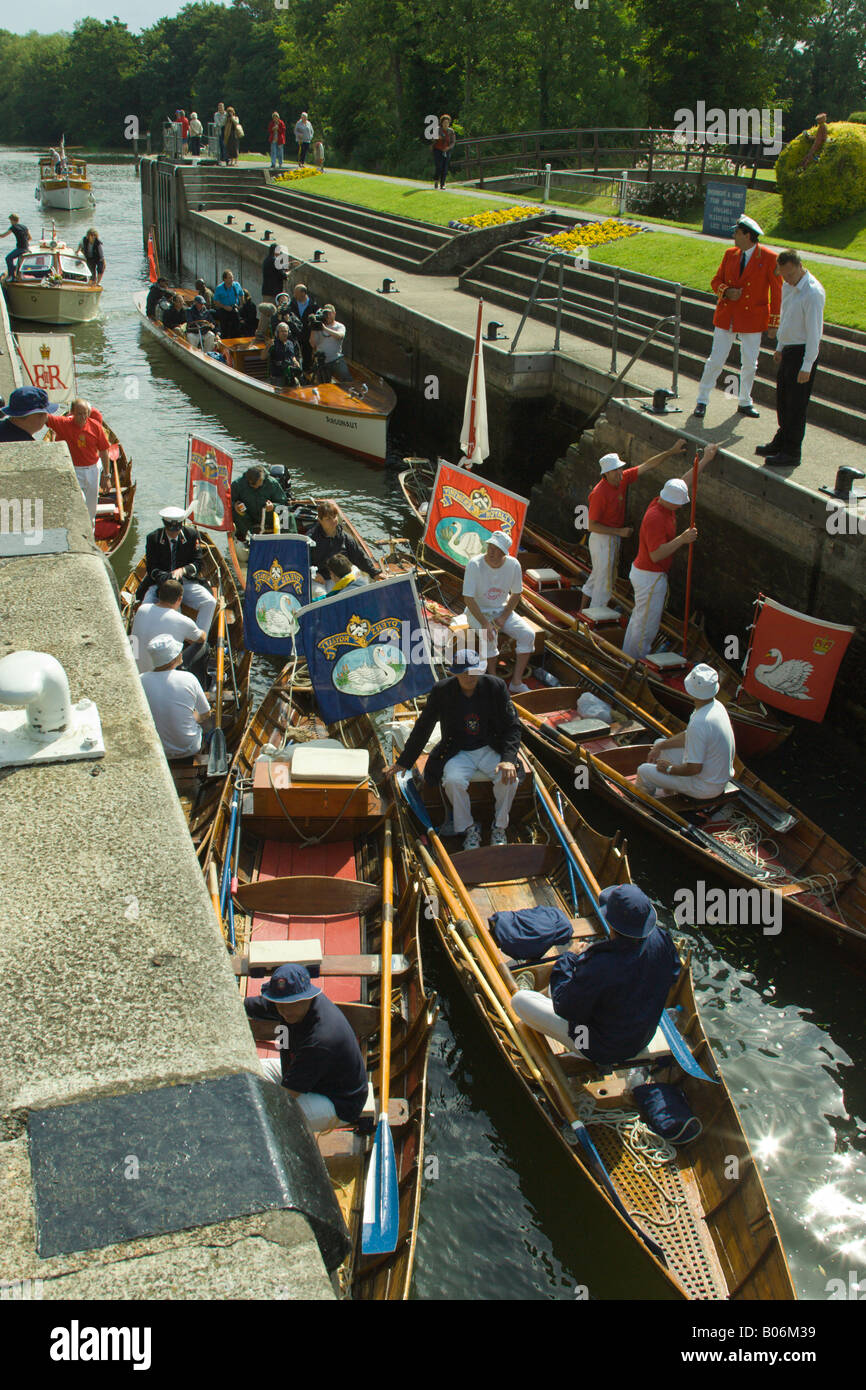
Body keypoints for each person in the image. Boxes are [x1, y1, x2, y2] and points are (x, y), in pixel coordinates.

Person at [511, 885, 680, 1066]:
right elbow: (673, 975)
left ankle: (580, 1051)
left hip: (599, 1048)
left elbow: (564, 1007)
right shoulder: (662, 939)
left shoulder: (602, 966)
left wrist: (570, 957)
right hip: (641, 1038)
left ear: (610, 922)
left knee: (520, 1000)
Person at [386, 648, 522, 850]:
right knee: (453, 781)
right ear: (454, 673)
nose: (469, 677)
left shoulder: (496, 686)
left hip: (490, 747)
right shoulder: (442, 690)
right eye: (464, 672)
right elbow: (424, 726)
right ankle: (468, 828)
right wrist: (404, 761)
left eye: (473, 672)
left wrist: (509, 758)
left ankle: (499, 826)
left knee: (510, 779)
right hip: (458, 751)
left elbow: (513, 726)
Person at [245, 963, 368, 1134]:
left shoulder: (321, 1039)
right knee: (249, 1068)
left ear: (307, 997)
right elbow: (254, 1006)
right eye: (279, 1004)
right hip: (305, 1075)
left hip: (337, 1101)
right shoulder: (288, 1006)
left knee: (270, 1119)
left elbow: (288, 1094)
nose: (285, 1011)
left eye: (291, 1004)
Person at [621, 445, 717, 661]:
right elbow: (656, 554)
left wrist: (704, 461)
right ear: (673, 501)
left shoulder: (661, 501)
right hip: (650, 575)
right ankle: (635, 663)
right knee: (646, 625)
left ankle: (627, 657)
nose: (682, 507)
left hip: (645, 572)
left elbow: (684, 482)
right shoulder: (656, 518)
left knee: (639, 619)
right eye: (680, 503)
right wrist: (682, 539)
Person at [581, 440, 687, 610]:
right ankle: (594, 617)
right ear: (606, 474)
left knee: (598, 575)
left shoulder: (622, 479)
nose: (619, 473)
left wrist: (671, 451)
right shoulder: (599, 493)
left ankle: (582, 610)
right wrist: (619, 531)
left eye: (620, 469)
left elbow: (647, 465)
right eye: (615, 471)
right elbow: (591, 525)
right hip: (602, 539)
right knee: (605, 581)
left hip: (612, 537)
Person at [693, 216, 779, 420]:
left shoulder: (769, 258)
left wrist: (774, 323)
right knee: (716, 359)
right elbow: (716, 281)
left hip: (753, 318)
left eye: (737, 233)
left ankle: (745, 401)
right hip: (727, 316)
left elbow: (777, 292)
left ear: (748, 235)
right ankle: (702, 400)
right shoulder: (730, 254)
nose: (733, 236)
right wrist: (727, 291)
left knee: (750, 362)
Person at [757, 251, 825, 468]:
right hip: (789, 349)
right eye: (782, 275)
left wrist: (807, 365)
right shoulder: (789, 286)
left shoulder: (812, 293)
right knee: (783, 400)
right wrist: (780, 346)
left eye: (788, 274)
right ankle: (782, 440)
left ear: (799, 266)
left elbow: (814, 333)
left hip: (803, 352)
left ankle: (792, 451)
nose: (785, 279)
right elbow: (786, 317)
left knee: (796, 405)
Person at [636, 664, 735, 800]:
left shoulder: (700, 722)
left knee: (643, 771)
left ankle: (643, 802)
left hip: (704, 787)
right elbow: (689, 736)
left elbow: (694, 769)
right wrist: (661, 746)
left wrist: (670, 769)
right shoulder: (716, 706)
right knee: (660, 743)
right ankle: (669, 792)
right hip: (715, 778)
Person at [462, 530, 535, 695]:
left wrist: (503, 616)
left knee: (528, 635)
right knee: (490, 635)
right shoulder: (475, 564)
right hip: (477, 612)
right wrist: (485, 623)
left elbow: (516, 594)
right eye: (490, 547)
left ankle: (516, 682)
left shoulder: (513, 564)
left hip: (502, 610)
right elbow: (468, 598)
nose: (491, 552)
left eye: (497, 549)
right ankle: (494, 680)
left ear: (504, 552)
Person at [138, 506, 217, 635]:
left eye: (177, 529)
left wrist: (183, 570)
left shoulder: (191, 535)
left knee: (210, 602)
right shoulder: (153, 538)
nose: (174, 533)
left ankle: (200, 639)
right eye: (171, 530)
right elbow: (151, 568)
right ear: (165, 524)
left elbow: (198, 564)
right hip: (161, 583)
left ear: (181, 525)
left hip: (186, 582)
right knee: (144, 607)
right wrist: (167, 577)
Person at [140, 634, 211, 759]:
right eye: (179, 652)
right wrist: (192, 717)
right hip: (189, 748)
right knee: (206, 724)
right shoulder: (188, 678)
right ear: (173, 659)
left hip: (158, 750)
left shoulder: (140, 680)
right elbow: (206, 713)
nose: (181, 653)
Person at [45, 397, 110, 525]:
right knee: (78, 502)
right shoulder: (63, 423)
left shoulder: (95, 426)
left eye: (85, 413)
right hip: (73, 470)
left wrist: (106, 476)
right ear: (72, 413)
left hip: (92, 469)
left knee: (91, 508)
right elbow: (45, 417)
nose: (83, 417)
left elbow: (104, 450)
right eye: (79, 413)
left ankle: (90, 534)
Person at [131, 578, 207, 674]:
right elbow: (202, 638)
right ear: (180, 599)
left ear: (159, 595)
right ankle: (194, 677)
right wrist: (187, 636)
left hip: (135, 670)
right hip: (159, 674)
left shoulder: (142, 609)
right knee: (205, 646)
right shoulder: (183, 621)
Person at [308, 499, 380, 583]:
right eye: (328, 519)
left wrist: (375, 573)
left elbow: (359, 556)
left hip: (342, 576)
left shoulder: (345, 537)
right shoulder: (310, 539)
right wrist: (313, 574)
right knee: (320, 594)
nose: (333, 521)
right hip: (320, 578)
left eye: (334, 517)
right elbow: (302, 561)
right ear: (320, 520)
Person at [231, 465, 293, 542]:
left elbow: (283, 503)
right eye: (251, 484)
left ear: (262, 479)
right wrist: (235, 505)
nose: (254, 487)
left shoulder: (272, 483)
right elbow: (228, 501)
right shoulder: (237, 484)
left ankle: (289, 540)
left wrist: (273, 506)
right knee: (236, 513)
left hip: (267, 515)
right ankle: (247, 539)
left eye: (257, 483)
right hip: (248, 516)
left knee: (285, 513)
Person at [309, 304, 351, 384]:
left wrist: (324, 328)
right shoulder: (318, 326)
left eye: (329, 313)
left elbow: (340, 336)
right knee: (322, 384)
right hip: (322, 361)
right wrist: (313, 328)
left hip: (336, 359)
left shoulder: (339, 326)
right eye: (325, 314)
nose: (327, 316)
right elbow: (313, 344)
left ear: (334, 313)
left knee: (347, 378)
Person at [291, 283, 320, 372]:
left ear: (303, 293)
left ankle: (307, 373)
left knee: (307, 356)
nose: (294, 295)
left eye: (296, 293)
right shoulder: (292, 303)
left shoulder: (314, 305)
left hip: (308, 335)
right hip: (296, 334)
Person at [268, 321, 303, 388]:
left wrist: (295, 361)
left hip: (289, 373)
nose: (284, 333)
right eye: (282, 331)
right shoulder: (273, 344)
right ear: (277, 333)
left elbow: (292, 356)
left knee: (298, 386)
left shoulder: (290, 343)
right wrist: (268, 347)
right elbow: (263, 357)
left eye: (285, 331)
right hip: (278, 376)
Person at [212, 269, 244, 337]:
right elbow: (215, 301)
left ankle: (235, 340)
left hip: (234, 308)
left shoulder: (236, 285)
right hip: (224, 309)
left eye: (232, 277)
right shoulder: (219, 288)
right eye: (229, 278)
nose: (232, 279)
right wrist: (224, 307)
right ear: (224, 279)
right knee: (224, 327)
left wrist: (241, 304)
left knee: (236, 327)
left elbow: (241, 294)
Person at [2, 213, 30, 280]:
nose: (10, 222)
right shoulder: (24, 227)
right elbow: (30, 238)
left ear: (12, 220)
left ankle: (12, 276)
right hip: (26, 248)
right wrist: (24, 242)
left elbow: (3, 235)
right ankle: (15, 269)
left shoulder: (13, 227)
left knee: (8, 258)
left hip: (21, 248)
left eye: (10, 221)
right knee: (14, 259)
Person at [432, 114, 457, 189]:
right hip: (438, 150)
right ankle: (436, 180)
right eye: (444, 122)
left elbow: (453, 142)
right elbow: (432, 139)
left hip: (447, 150)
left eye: (447, 123)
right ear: (442, 123)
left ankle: (442, 184)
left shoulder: (451, 131)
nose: (446, 124)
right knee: (439, 166)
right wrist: (437, 138)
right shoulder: (437, 130)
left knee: (445, 167)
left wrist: (448, 148)